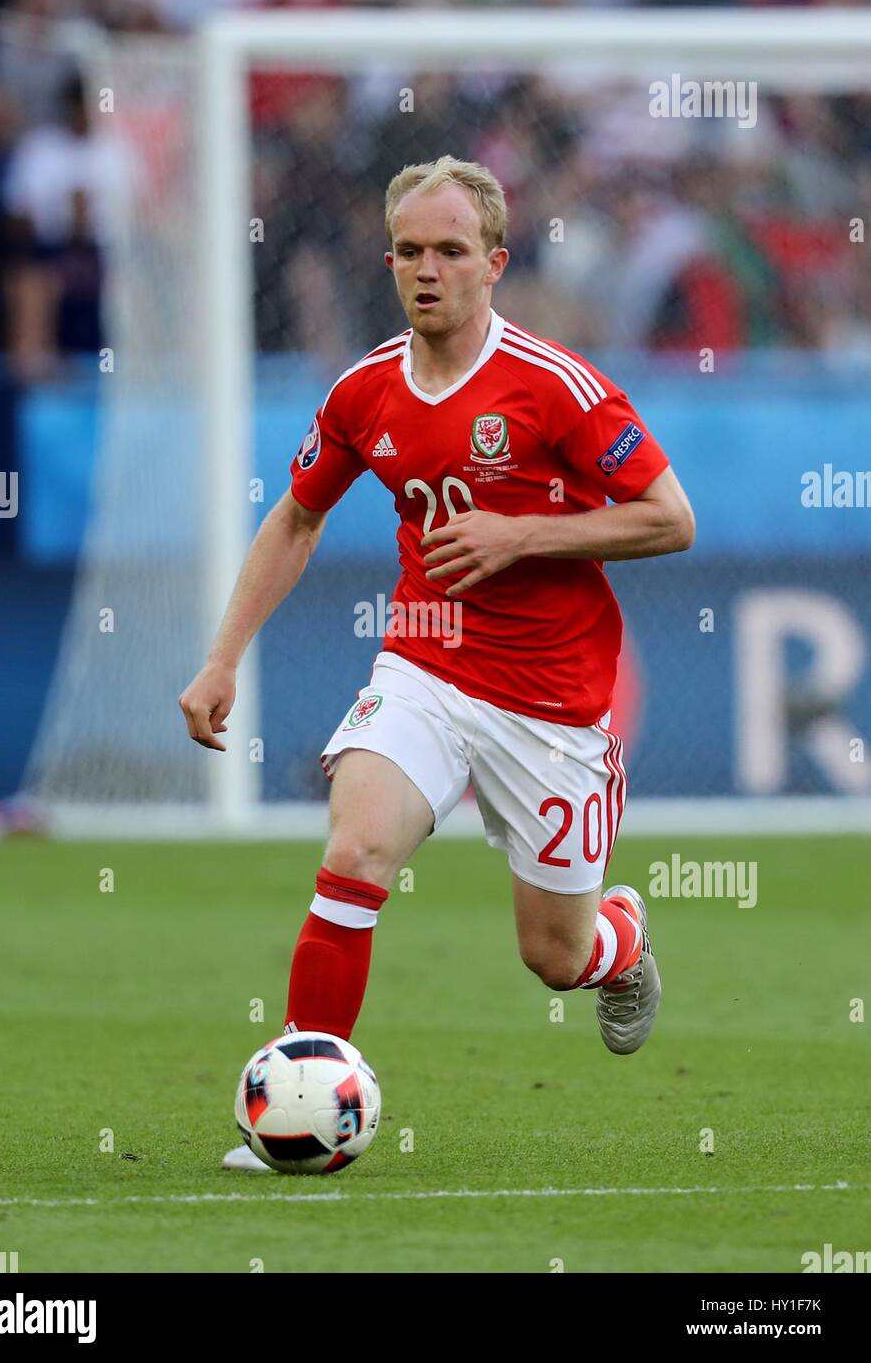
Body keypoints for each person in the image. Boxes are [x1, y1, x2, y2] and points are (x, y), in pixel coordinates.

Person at [178, 156, 695, 1173]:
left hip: (551, 703)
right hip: (425, 664)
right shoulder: (363, 390)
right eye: (409, 251)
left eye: (450, 250)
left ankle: (619, 941)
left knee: (554, 956)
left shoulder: (555, 388)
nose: (428, 269)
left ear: (493, 263)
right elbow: (295, 516)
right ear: (387, 261)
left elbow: (669, 518)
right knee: (355, 848)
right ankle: (298, 1089)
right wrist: (221, 657)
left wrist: (517, 537)